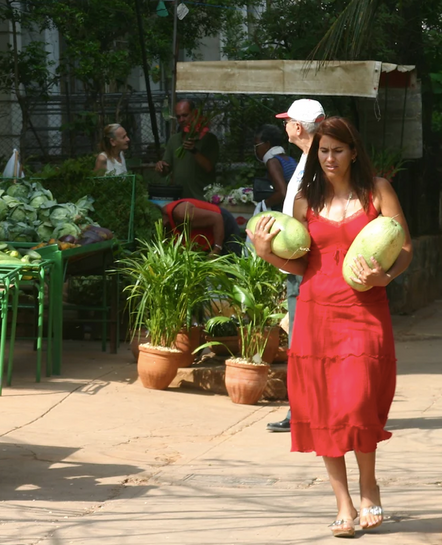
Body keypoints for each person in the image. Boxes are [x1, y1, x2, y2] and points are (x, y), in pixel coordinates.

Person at [248, 116, 412, 537]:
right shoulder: (305, 199)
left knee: (358, 403)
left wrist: (385, 277)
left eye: (338, 150)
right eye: (323, 150)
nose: (330, 158)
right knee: (324, 410)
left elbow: (405, 248)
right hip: (316, 313)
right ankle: (344, 504)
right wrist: (266, 253)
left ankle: (369, 488)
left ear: (353, 152)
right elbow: (302, 264)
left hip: (365, 309)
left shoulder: (378, 190)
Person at [267, 98, 325, 433]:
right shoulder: (309, 158)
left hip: (308, 266)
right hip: (298, 264)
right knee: (302, 339)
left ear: (298, 127)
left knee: (303, 342)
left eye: (287, 121)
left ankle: (303, 412)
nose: (285, 126)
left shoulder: (318, 161)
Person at [155, 99, 219, 201]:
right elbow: (166, 169)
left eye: (185, 115)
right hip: (180, 199)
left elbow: (209, 167)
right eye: (178, 117)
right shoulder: (174, 140)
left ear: (195, 114)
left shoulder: (208, 139)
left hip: (202, 198)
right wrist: (161, 167)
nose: (181, 120)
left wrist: (194, 151)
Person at [160, 198, 242, 255]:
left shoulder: (181, 213)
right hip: (205, 241)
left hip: (223, 223)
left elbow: (217, 218)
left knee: (231, 266)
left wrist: (216, 249)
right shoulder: (164, 226)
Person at [253, 124, 297, 210]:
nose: (255, 149)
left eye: (257, 145)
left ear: (267, 144)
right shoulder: (290, 160)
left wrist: (263, 204)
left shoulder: (272, 162)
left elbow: (282, 193)